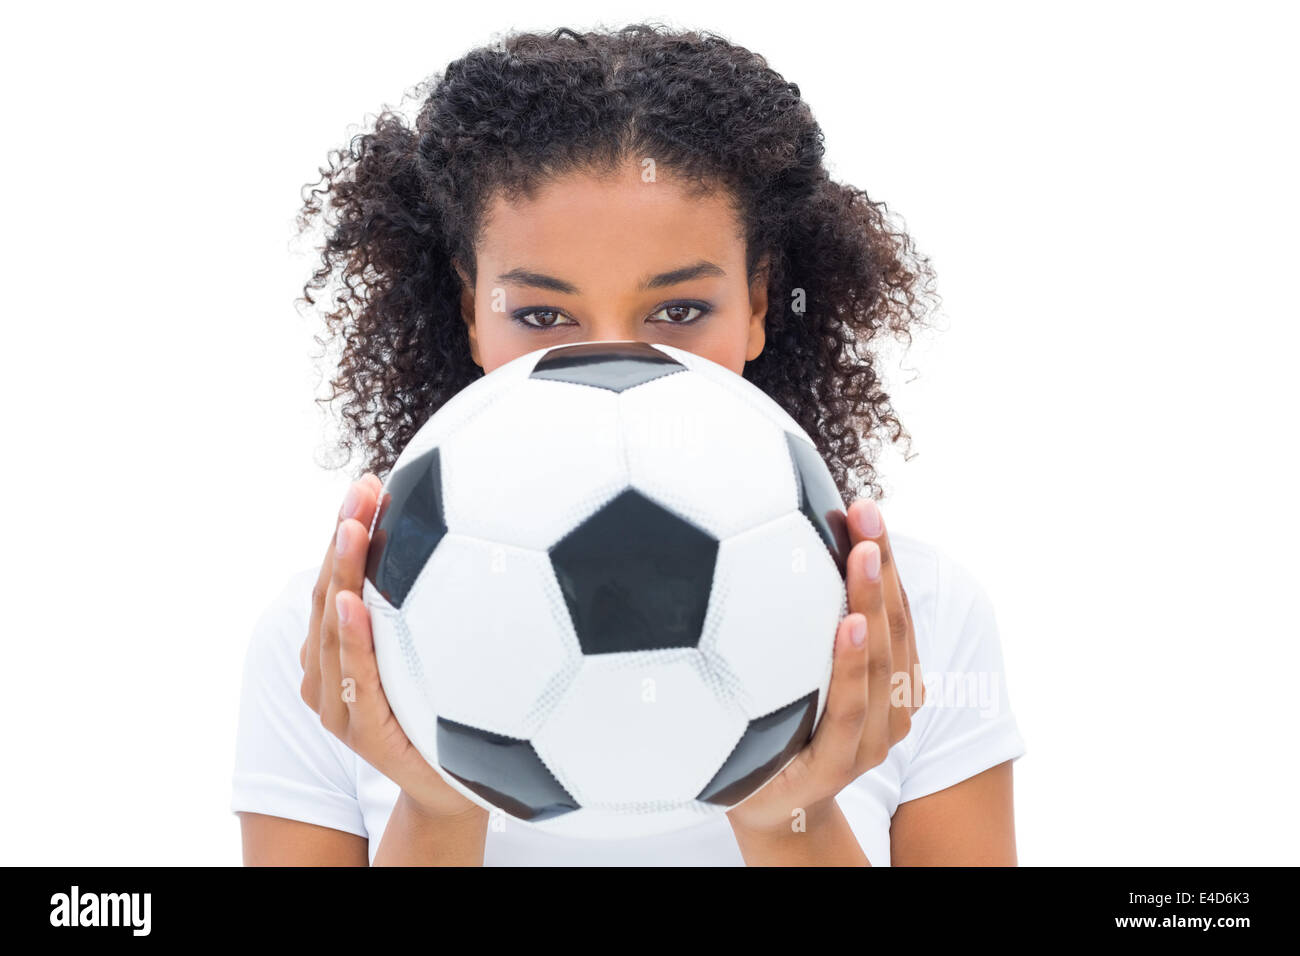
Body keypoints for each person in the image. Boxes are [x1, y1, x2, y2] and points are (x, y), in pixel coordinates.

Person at [231, 23, 1027, 865]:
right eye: (540, 316)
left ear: (758, 303)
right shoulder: (329, 646)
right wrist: (435, 806)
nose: (614, 364)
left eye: (679, 311)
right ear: (470, 310)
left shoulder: (917, 626)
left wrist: (787, 814)